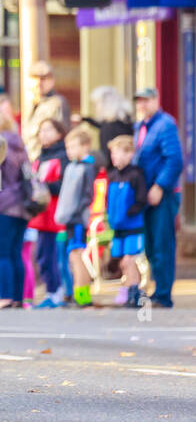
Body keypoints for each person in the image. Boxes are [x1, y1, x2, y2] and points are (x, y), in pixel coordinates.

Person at [133, 87, 183, 308]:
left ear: (155, 100)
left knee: (163, 244)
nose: (142, 105)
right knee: (152, 245)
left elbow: (174, 160)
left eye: (146, 100)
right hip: (146, 195)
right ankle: (157, 289)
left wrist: (160, 186)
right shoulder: (141, 127)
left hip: (163, 194)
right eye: (139, 101)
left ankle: (164, 294)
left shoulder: (165, 124)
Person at [0, 108, 30, 309]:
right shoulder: (19, 144)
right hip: (23, 205)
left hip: (2, 205)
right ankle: (18, 297)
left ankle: (5, 296)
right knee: (15, 252)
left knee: (1, 253)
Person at [54, 126, 98, 307]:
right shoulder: (72, 167)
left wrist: (74, 212)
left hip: (78, 219)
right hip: (68, 218)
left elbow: (87, 195)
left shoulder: (87, 167)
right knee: (73, 255)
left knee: (77, 254)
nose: (69, 151)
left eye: (73, 147)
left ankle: (82, 294)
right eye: (68, 147)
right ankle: (78, 292)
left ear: (85, 146)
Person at [105, 133, 149, 307]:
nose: (115, 157)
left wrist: (130, 212)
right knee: (122, 262)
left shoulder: (135, 175)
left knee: (129, 260)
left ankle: (135, 293)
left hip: (133, 226)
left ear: (130, 154)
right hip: (118, 227)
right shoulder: (113, 176)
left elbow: (141, 199)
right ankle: (128, 290)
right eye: (113, 154)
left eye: (119, 153)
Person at [28, 118, 68, 307]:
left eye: (48, 130)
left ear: (59, 133)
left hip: (54, 213)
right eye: (41, 130)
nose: (43, 134)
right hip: (39, 214)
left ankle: (56, 291)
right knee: (42, 254)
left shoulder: (63, 156)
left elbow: (63, 185)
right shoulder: (39, 157)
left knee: (50, 254)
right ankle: (52, 291)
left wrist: (43, 186)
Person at [21, 59, 71, 160]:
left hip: (48, 158)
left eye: (44, 78)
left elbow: (61, 134)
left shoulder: (57, 103)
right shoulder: (31, 104)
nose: (39, 82)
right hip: (31, 158)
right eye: (35, 78)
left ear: (52, 80)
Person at [81, 85, 133, 160]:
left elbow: (107, 155)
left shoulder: (112, 126)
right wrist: (84, 119)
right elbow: (99, 124)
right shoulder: (120, 121)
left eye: (97, 104)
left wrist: (88, 157)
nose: (96, 107)